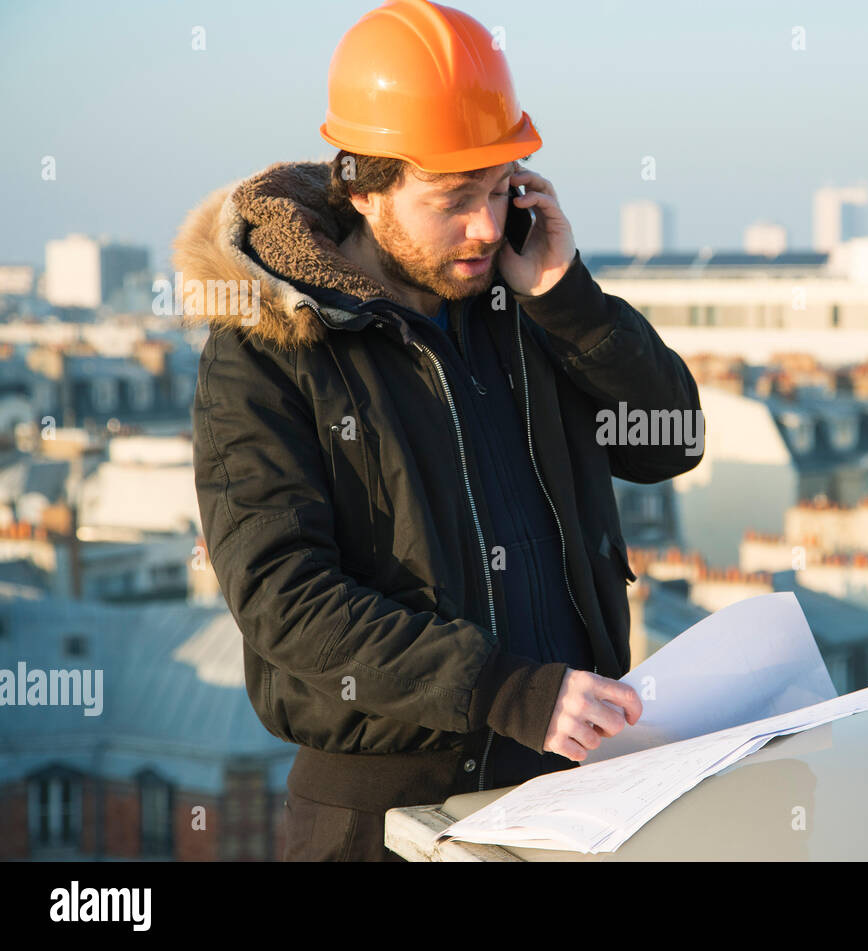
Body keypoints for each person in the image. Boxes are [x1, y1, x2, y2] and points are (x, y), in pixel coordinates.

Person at [175, 0, 704, 861]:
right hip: (380, 820)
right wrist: (504, 689)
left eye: (502, 191)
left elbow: (671, 439)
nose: (487, 226)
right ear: (364, 186)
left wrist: (570, 300)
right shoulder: (266, 350)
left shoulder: (528, 297)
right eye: (454, 198)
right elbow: (285, 596)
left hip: (571, 788)